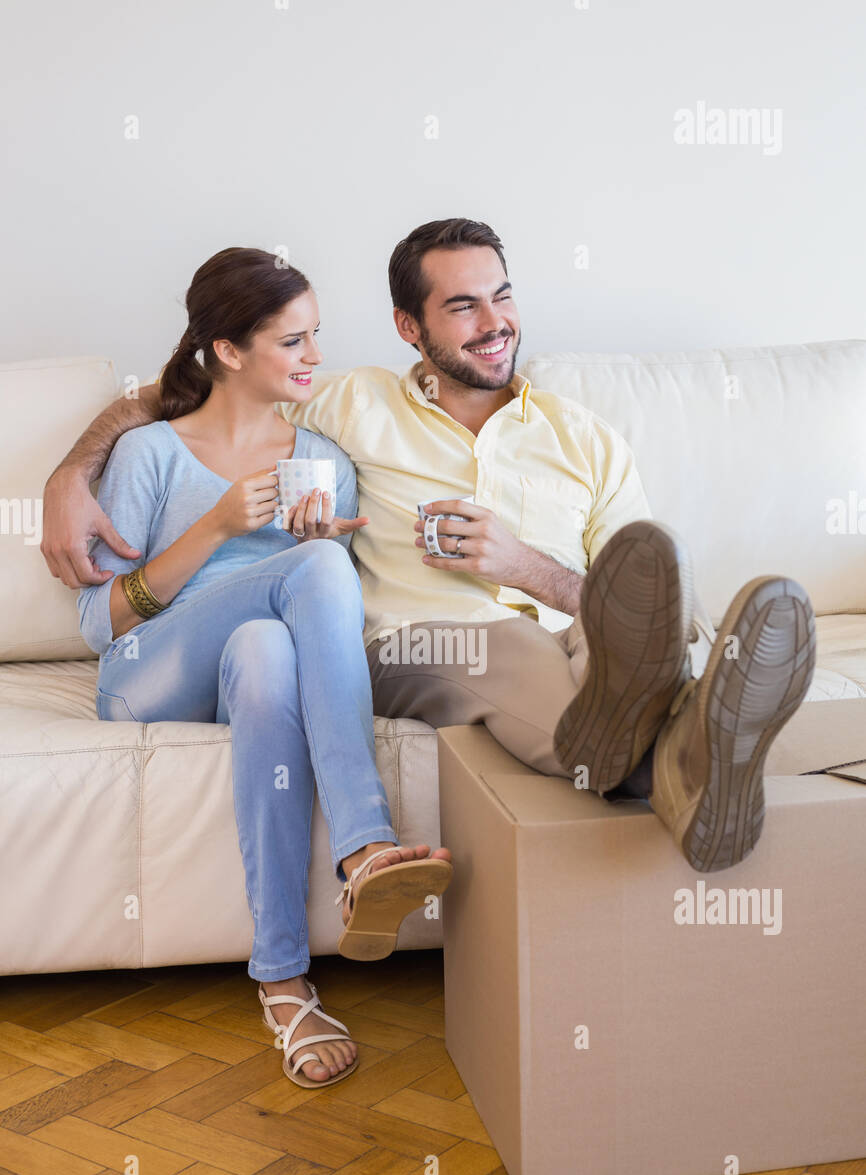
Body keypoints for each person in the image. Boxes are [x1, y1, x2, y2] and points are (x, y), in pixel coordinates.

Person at [43, 219, 816, 882]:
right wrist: (71, 473)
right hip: (415, 645)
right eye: (462, 305)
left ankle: (682, 763)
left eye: (502, 295)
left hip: (573, 639)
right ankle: (696, 743)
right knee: (507, 644)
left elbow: (650, 603)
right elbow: (207, 386)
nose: (494, 321)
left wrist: (528, 569)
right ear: (409, 327)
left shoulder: (585, 439)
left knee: (604, 632)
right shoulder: (352, 404)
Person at [70, 246, 452, 1090]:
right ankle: (367, 847)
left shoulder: (323, 457)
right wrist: (213, 529)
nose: (316, 356)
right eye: (293, 341)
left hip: (249, 672)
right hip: (147, 673)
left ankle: (283, 982)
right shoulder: (151, 453)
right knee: (309, 575)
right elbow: (100, 624)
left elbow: (321, 623)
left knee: (269, 648)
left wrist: (319, 555)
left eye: (317, 336)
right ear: (230, 351)